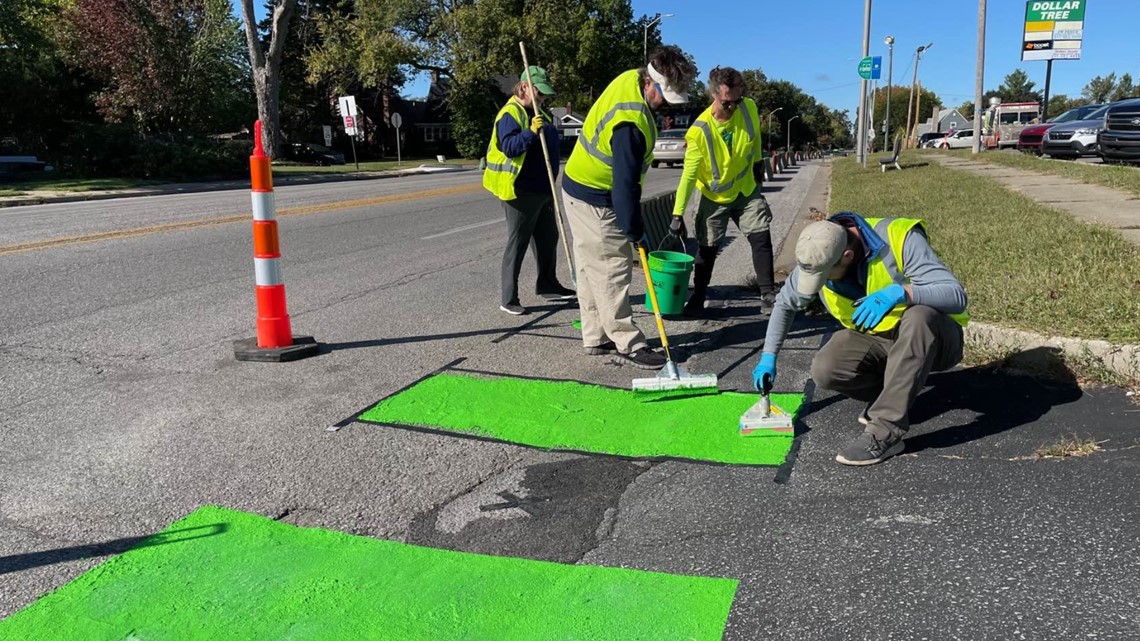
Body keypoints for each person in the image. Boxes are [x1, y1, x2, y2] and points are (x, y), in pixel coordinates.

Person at [752, 212, 969, 466]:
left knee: (919, 317)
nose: (819, 284)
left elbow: (956, 295)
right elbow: (785, 305)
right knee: (826, 368)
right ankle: (893, 396)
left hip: (934, 339)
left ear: (847, 256)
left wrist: (901, 293)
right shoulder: (819, 251)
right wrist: (769, 357)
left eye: (824, 277)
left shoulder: (899, 237)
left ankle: (885, 432)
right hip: (879, 339)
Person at [561, 46, 697, 369]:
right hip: (596, 197)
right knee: (611, 269)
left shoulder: (629, 79)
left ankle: (595, 335)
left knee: (590, 266)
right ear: (650, 82)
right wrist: (636, 233)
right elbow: (625, 189)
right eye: (663, 95)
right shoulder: (631, 124)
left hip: (576, 186)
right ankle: (628, 342)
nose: (665, 104)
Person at [670, 66, 776, 317]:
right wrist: (677, 215)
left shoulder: (748, 107)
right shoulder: (699, 131)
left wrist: (759, 162)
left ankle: (768, 294)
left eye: (737, 100)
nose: (733, 107)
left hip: (745, 189)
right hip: (713, 197)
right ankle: (698, 295)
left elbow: (756, 136)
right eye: (728, 102)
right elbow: (689, 174)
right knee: (707, 247)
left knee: (760, 235)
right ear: (714, 96)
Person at [483, 66, 577, 316]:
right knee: (518, 242)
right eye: (541, 93)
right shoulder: (510, 114)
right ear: (525, 87)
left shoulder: (538, 111)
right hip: (520, 191)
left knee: (548, 238)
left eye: (545, 94)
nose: (544, 98)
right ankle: (508, 298)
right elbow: (510, 147)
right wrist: (530, 132)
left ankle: (547, 284)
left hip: (543, 189)